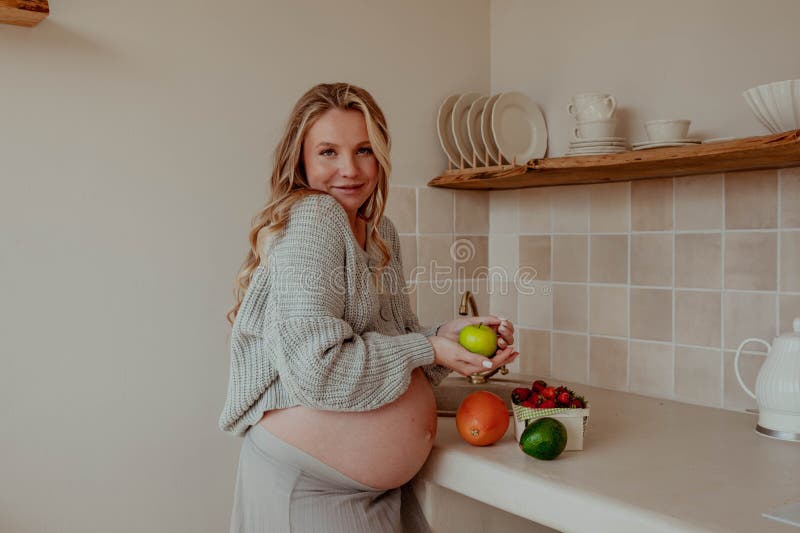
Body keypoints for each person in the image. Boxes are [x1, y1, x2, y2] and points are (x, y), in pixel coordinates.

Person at [218, 82, 518, 533]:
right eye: (328, 152)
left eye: (364, 150)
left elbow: (391, 346)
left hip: (368, 490)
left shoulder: (379, 232)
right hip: (312, 489)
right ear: (300, 160)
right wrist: (429, 349)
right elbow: (317, 370)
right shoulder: (315, 219)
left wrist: (444, 340)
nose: (350, 170)